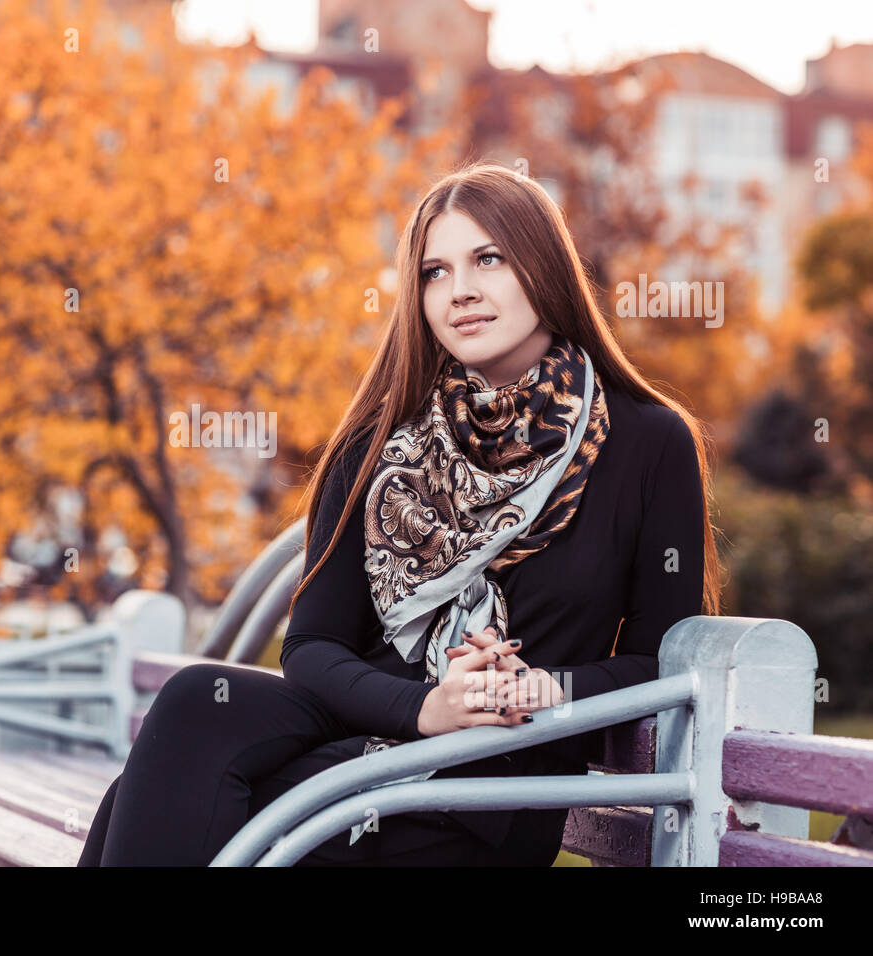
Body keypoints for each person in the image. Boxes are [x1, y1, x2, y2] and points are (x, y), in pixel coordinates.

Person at [78, 161, 722, 867]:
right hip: (367, 737)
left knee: (155, 803)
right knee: (200, 701)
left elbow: (657, 662)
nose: (460, 292)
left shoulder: (648, 442)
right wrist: (424, 709)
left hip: (486, 783)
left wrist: (535, 689)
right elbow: (313, 650)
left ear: (543, 266)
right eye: (433, 272)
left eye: (487, 259)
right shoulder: (379, 444)